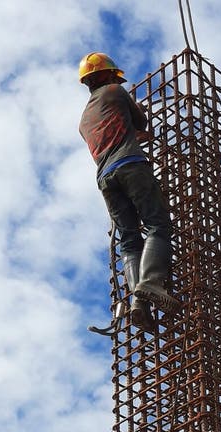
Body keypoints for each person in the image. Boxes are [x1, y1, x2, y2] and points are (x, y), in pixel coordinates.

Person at [78, 52, 180, 333]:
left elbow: (111, 133)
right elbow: (141, 122)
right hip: (131, 166)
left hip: (105, 178)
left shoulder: (84, 120)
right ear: (109, 75)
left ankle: (139, 306)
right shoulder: (115, 91)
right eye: (113, 75)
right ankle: (150, 283)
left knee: (130, 241)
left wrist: (128, 134)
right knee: (157, 225)